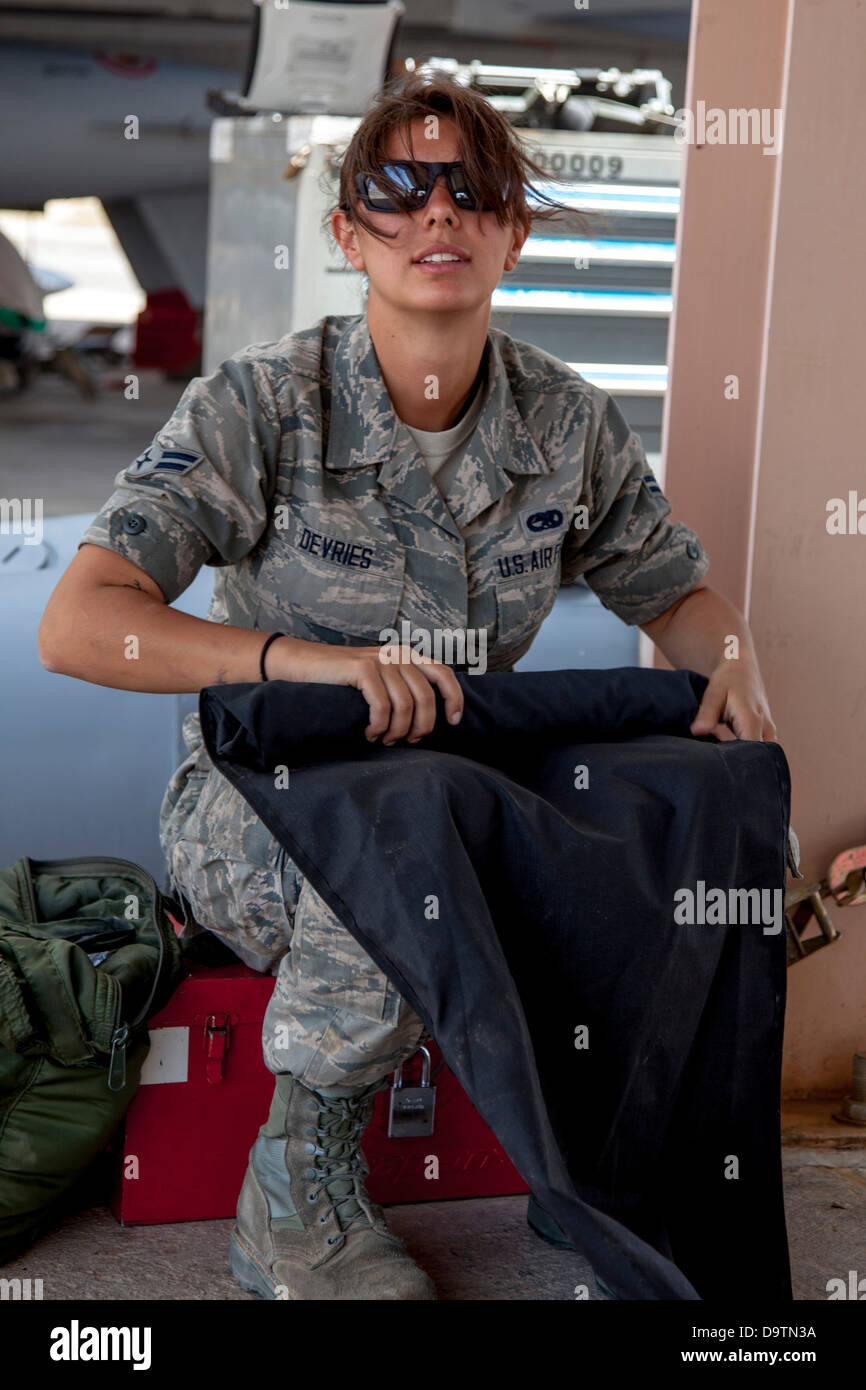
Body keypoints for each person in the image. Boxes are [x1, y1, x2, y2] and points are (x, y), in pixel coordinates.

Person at [38, 71, 777, 1302]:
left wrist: (736, 672)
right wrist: (303, 663)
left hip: (447, 784)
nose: (438, 211)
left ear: (510, 229)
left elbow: (675, 594)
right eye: (397, 186)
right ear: (346, 231)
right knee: (402, 849)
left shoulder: (564, 424)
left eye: (471, 187)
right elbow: (80, 625)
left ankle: (598, 1157)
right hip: (263, 807)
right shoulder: (264, 406)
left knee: (677, 809)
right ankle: (290, 1192)